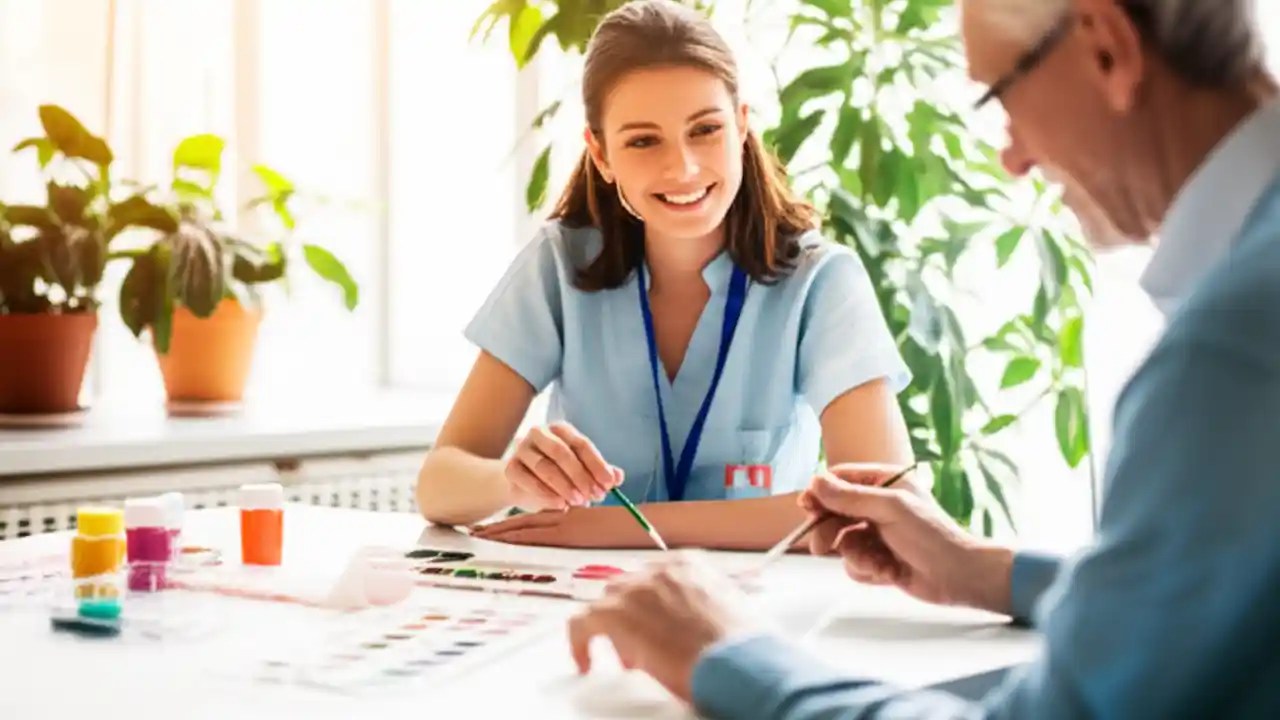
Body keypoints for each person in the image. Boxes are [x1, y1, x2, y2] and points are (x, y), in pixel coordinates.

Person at [567, 0, 1280, 716]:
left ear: (1107, 50)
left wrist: (728, 656)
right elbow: (1220, 588)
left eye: (1000, 96)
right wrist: (990, 572)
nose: (1013, 156)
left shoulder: (1231, 347)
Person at [415, 0, 914, 550]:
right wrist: (511, 478)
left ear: (742, 128)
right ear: (601, 156)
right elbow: (438, 485)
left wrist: (620, 526)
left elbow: (884, 506)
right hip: (585, 598)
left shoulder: (821, 282)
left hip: (750, 605)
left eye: (705, 130)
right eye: (643, 141)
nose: (682, 168)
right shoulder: (560, 265)